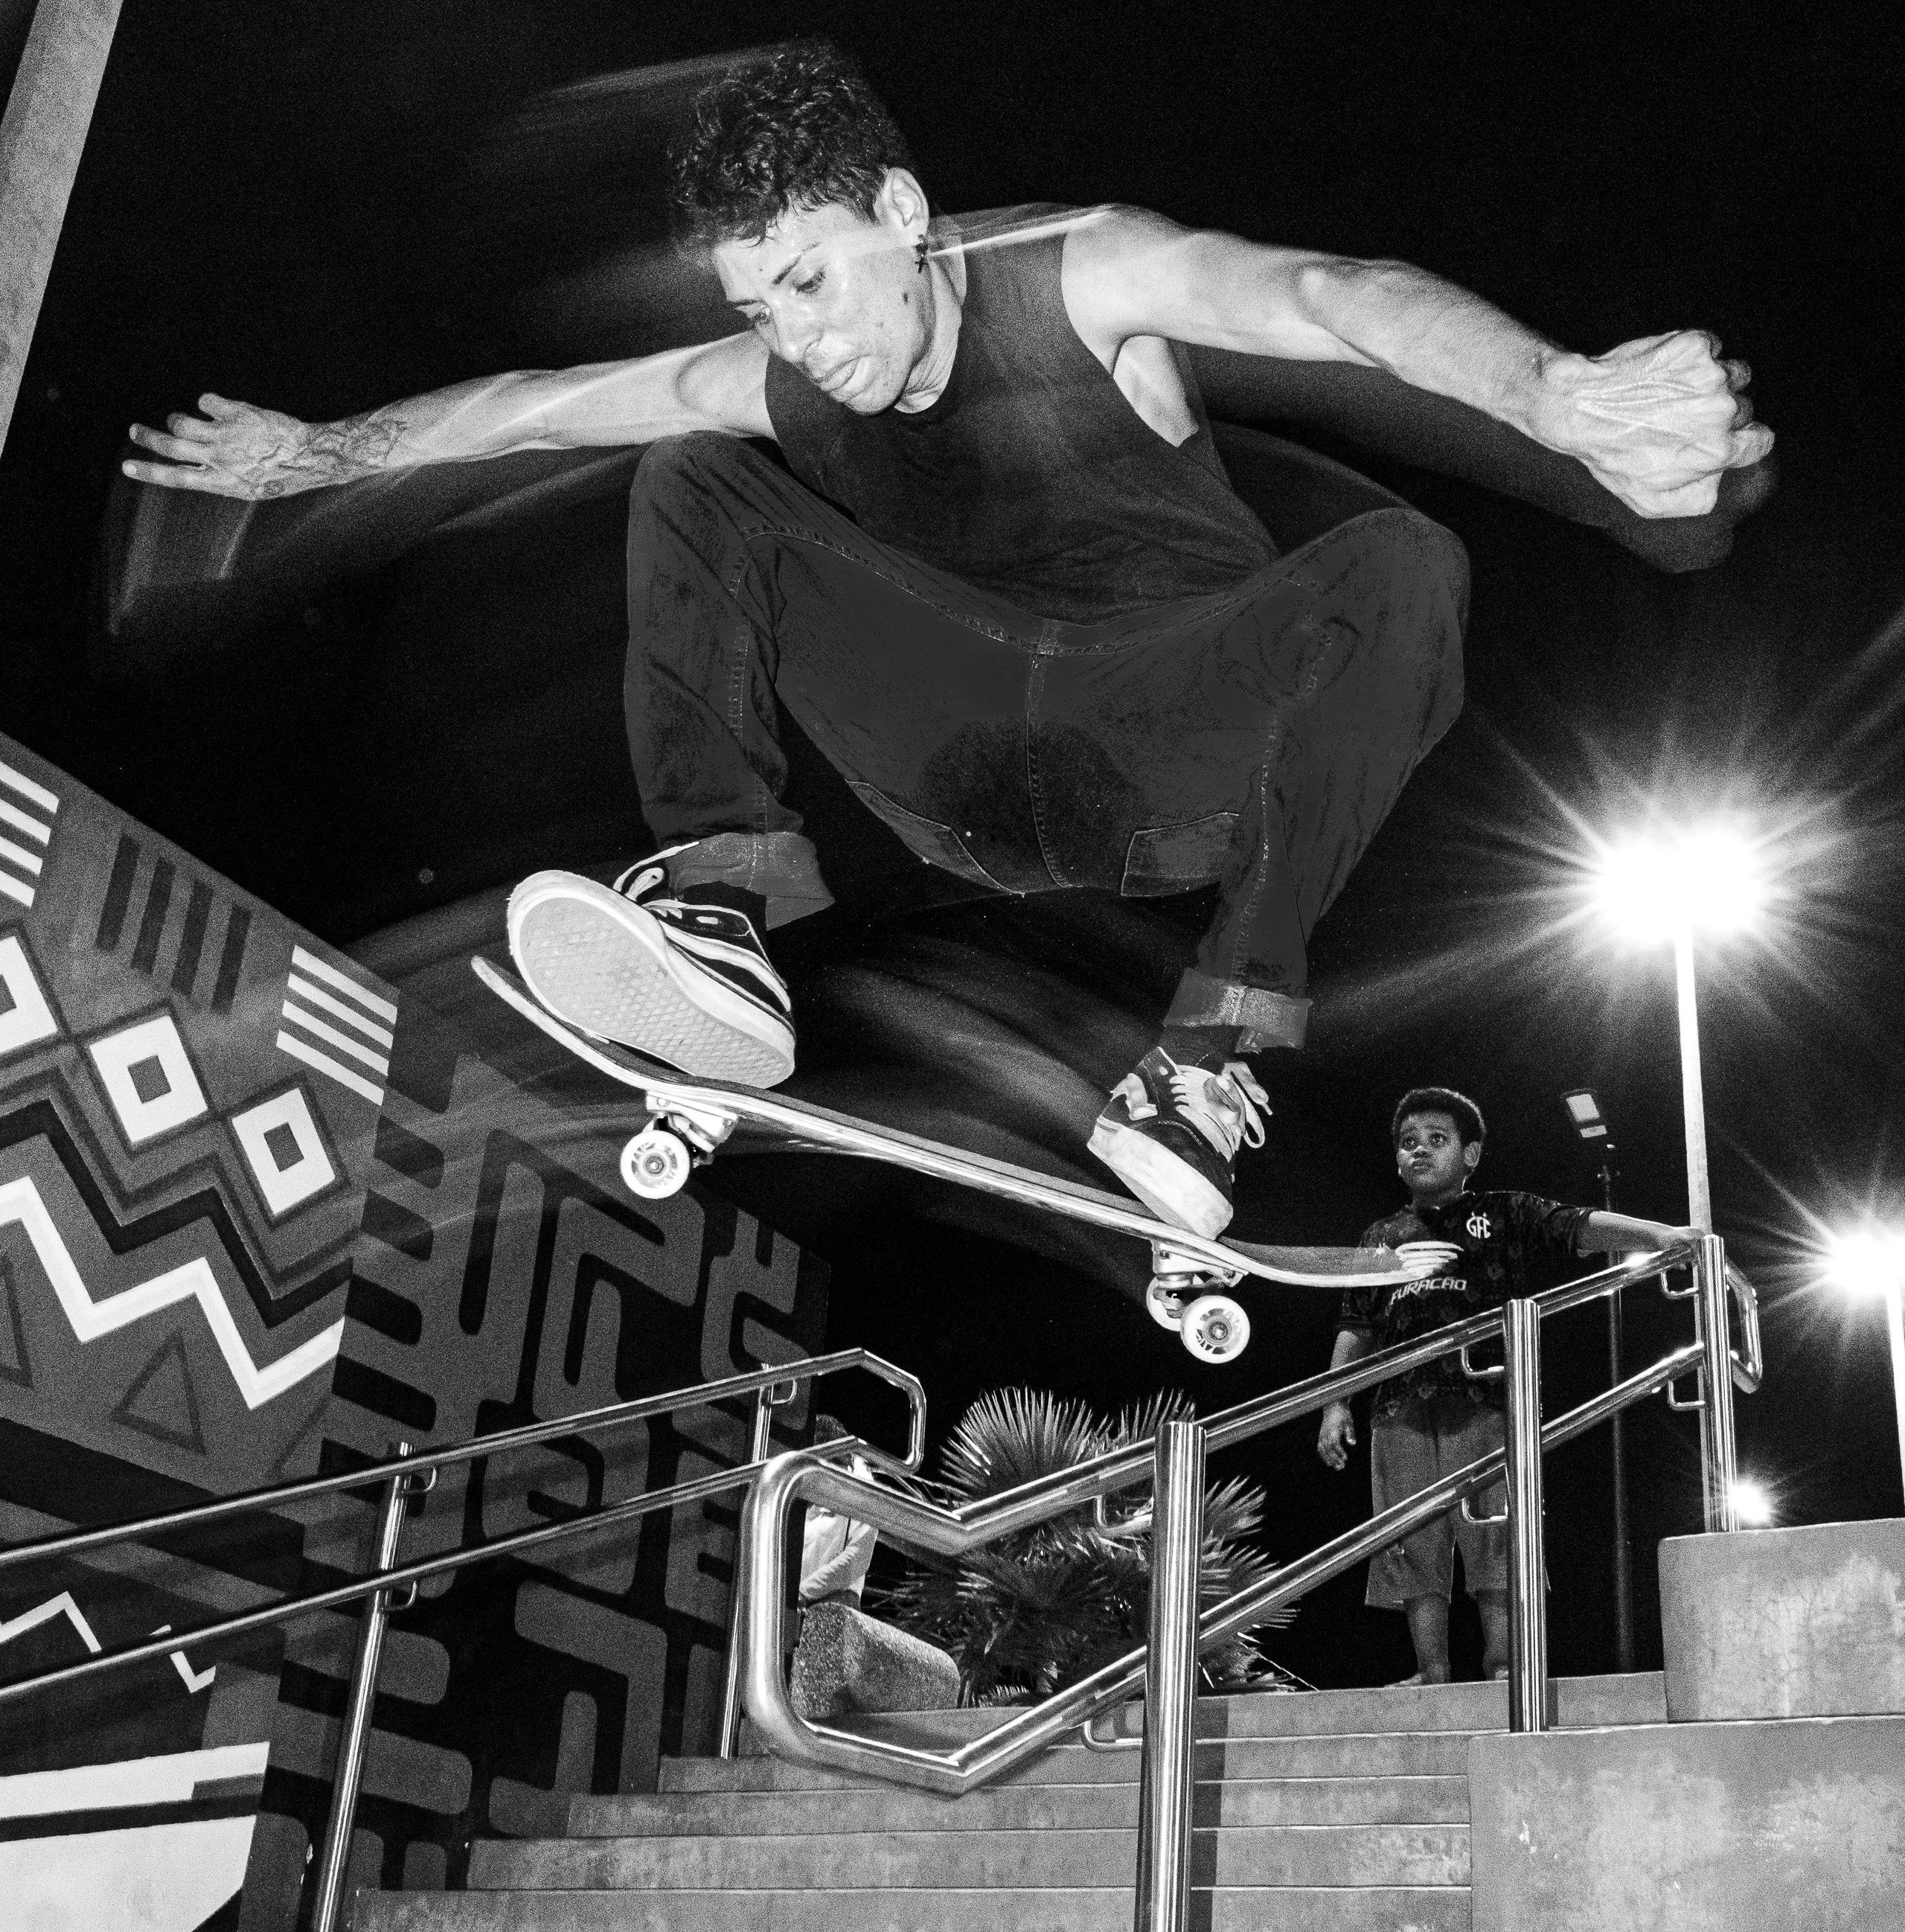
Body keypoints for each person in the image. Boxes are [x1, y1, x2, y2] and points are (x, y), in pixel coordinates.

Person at [122, 45, 1770, 1240]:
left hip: (1173, 748)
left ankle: (1204, 1056)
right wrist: (320, 456)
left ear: (903, 213)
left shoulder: (1085, 275)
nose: (805, 340)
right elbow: (535, 410)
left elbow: (1335, 295)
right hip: (960, 763)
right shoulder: (771, 374)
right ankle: (716, 914)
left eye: (819, 281)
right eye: (761, 304)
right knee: (689, 474)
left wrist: (1552, 395)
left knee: (1403, 563)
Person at [1316, 1087, 1701, 1686]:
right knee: (1410, 1537)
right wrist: (1334, 1403)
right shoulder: (1381, 1234)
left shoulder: (1504, 1211)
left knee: (1494, 1530)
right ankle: (1432, 1669)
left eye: (1437, 1141)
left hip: (1489, 1399)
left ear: (1469, 1155)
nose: (1420, 1151)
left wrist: (1657, 1234)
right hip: (1400, 1405)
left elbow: (1578, 1226)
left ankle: (1502, 1665)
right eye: (1408, 1143)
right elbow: (1355, 1323)